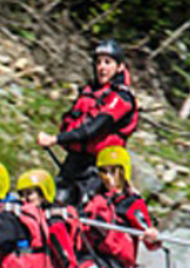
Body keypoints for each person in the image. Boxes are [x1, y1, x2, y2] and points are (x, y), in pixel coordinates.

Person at [37, 39, 140, 207]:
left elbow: (94, 129)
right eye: (98, 62)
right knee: (54, 204)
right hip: (75, 162)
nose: (102, 67)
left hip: (102, 167)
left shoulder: (122, 98)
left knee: (86, 209)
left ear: (120, 67)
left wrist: (55, 139)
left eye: (107, 62)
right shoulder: (90, 91)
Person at [77, 146, 161, 268]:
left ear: (123, 172)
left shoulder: (132, 203)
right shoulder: (92, 197)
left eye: (113, 172)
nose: (109, 178)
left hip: (114, 261)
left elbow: (150, 242)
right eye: (104, 171)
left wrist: (152, 237)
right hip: (88, 254)